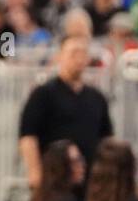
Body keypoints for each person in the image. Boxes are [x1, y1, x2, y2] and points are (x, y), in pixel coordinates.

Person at [18, 34, 113, 192]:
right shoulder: (43, 94)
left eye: (83, 53)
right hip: (54, 179)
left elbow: (106, 139)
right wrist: (34, 171)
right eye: (73, 53)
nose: (79, 58)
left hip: (89, 181)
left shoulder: (96, 97)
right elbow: (28, 136)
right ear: (60, 56)